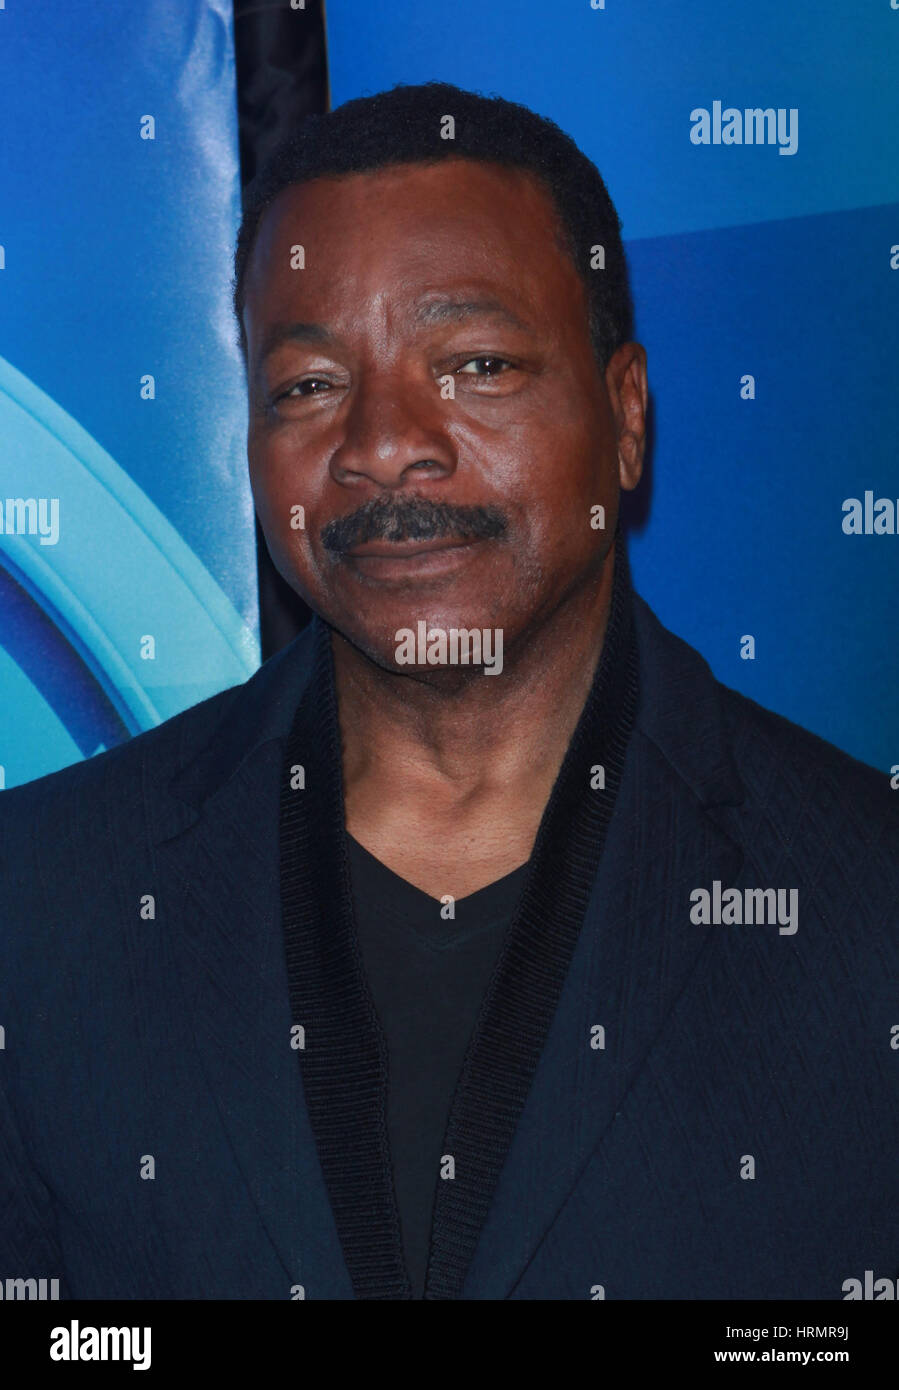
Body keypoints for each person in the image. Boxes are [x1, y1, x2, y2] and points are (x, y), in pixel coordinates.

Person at [1, 81, 897, 1301]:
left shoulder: (862, 899)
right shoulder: (44, 902)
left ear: (624, 416)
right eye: (309, 386)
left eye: (474, 364)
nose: (382, 442)